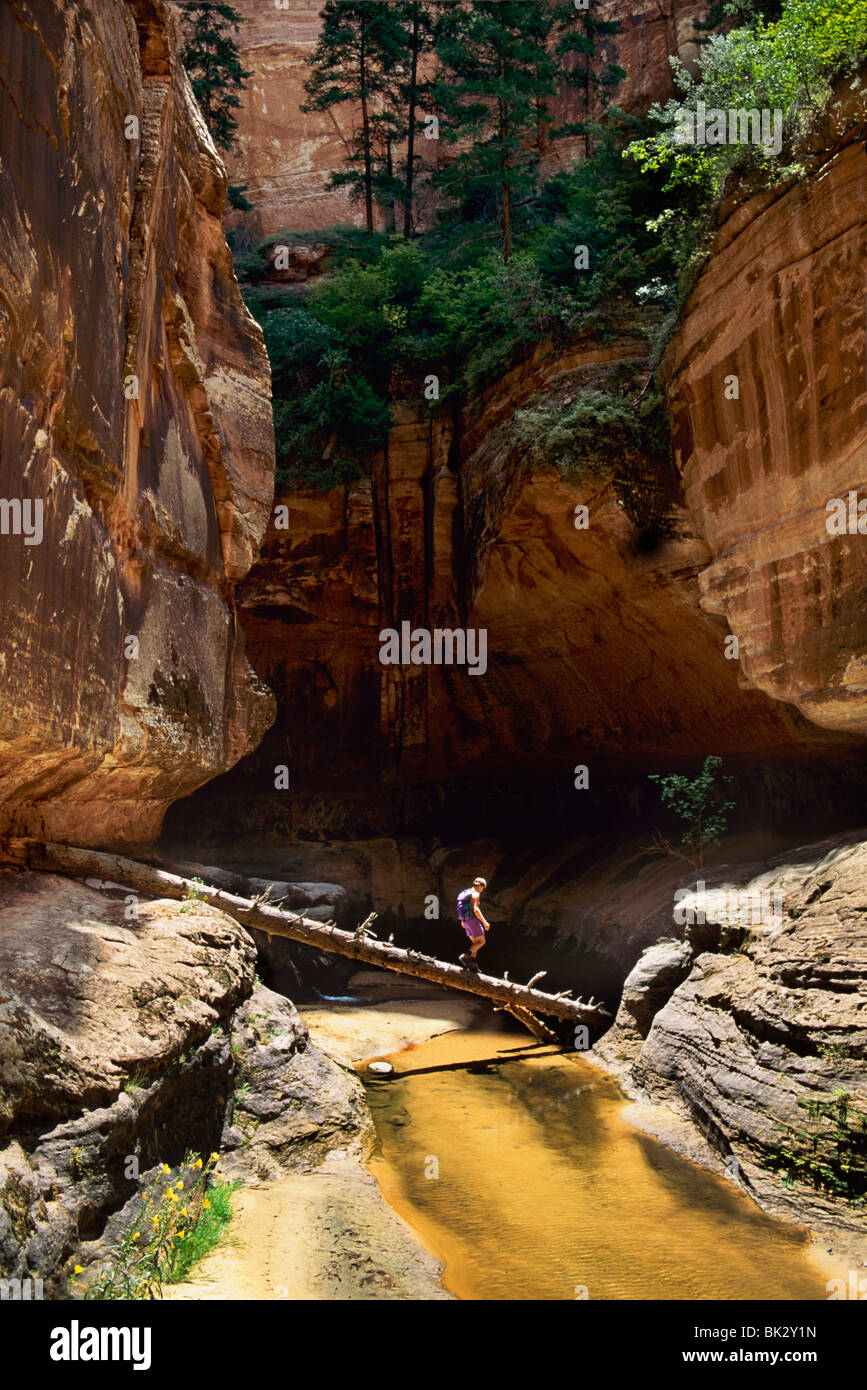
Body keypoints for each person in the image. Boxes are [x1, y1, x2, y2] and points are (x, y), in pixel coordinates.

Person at [456, 877, 490, 972]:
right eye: (483, 887)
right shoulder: (475, 893)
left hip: (465, 921)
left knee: (475, 944)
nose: (482, 890)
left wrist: (462, 921)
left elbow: (462, 908)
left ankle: (473, 965)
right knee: (481, 942)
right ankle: (466, 956)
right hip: (472, 921)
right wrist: (484, 922)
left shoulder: (466, 893)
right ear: (481, 886)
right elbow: (475, 909)